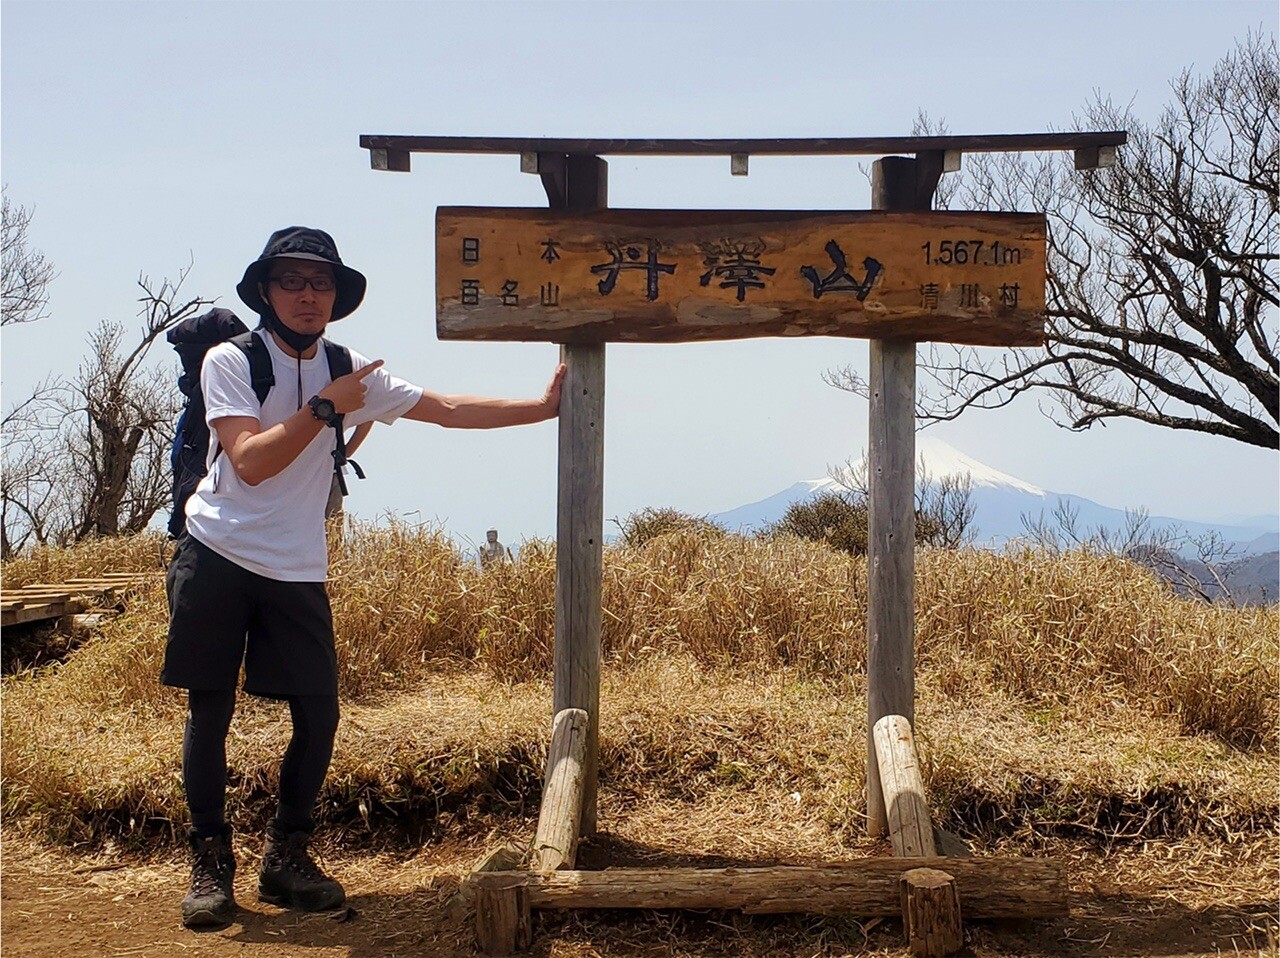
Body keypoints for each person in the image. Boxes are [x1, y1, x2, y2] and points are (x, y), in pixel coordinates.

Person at [162, 226, 564, 929]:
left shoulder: (351, 370)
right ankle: (210, 862)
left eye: (320, 283)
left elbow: (446, 409)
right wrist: (329, 407)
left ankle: (287, 858)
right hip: (216, 549)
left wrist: (542, 407)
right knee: (210, 708)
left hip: (296, 564)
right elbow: (251, 461)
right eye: (292, 281)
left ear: (337, 296)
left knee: (319, 712)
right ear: (266, 291)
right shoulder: (231, 360)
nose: (307, 294)